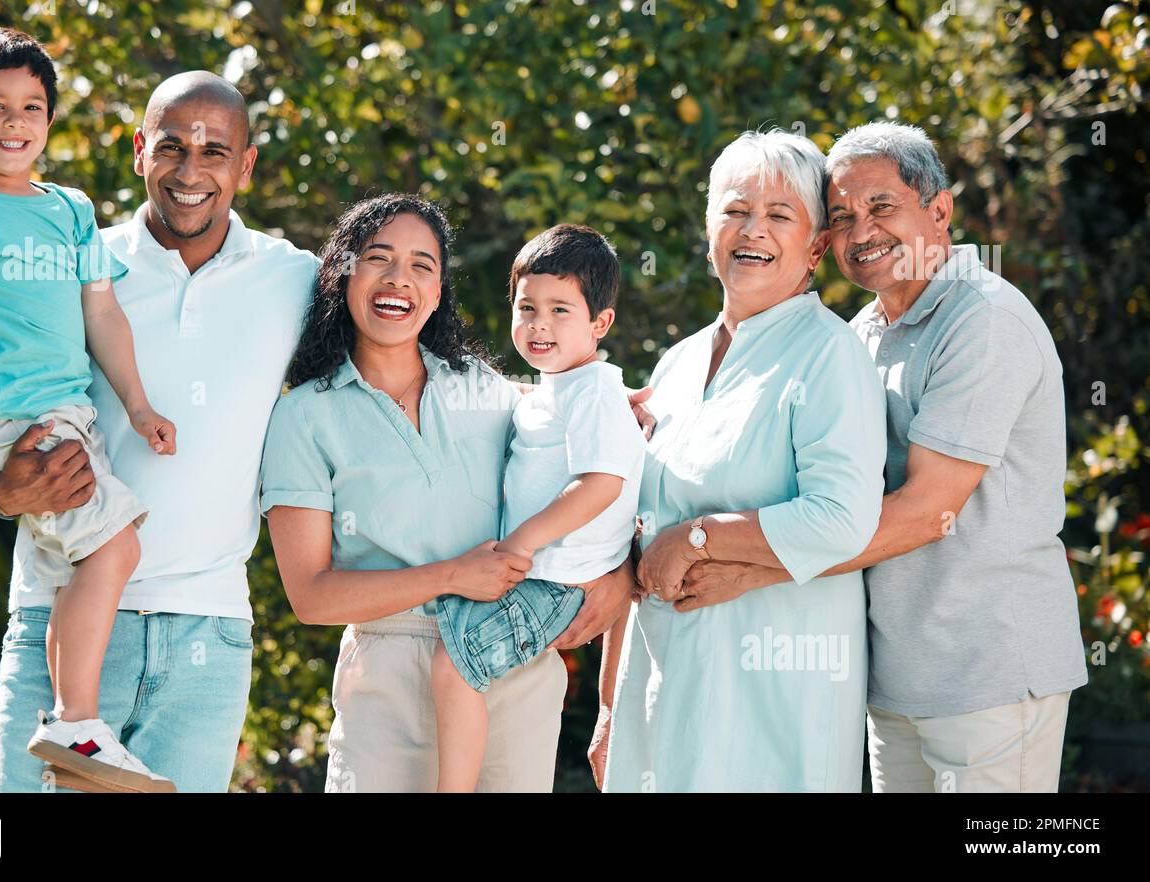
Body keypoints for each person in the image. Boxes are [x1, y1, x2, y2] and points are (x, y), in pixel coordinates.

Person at [678, 122, 1088, 793]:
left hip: (987, 672)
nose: (861, 231)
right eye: (841, 216)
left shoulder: (984, 322)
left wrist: (744, 567)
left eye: (881, 208)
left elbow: (927, 514)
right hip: (892, 681)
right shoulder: (861, 336)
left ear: (940, 210)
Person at [0, 70, 320, 792]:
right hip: (60, 614)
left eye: (215, 153)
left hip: (209, 634)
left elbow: (402, 364)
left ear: (247, 165)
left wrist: (585, 394)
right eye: (171, 148)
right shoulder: (73, 262)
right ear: (139, 150)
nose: (190, 173)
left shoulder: (296, 280)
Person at [262, 194, 644, 792]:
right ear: (343, 272)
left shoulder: (482, 388)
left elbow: (580, 438)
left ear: (438, 290)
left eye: (422, 265)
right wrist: (451, 575)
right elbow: (311, 597)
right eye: (378, 258)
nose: (399, 279)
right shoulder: (305, 416)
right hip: (385, 681)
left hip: (511, 669)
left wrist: (620, 575)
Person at [0, 25, 177, 792]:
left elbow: (103, 315)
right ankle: (76, 727)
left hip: (65, 411)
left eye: (31, 107)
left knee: (69, 570)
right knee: (116, 548)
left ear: (49, 120)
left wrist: (138, 405)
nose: (14, 123)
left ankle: (63, 719)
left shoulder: (72, 209)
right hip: (10, 418)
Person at [596, 129, 888, 792]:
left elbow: (842, 518)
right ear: (709, 232)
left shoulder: (830, 356)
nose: (752, 229)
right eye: (735, 210)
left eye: (779, 215)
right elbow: (636, 534)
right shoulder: (675, 363)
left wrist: (699, 538)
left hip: (773, 694)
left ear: (816, 246)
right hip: (663, 686)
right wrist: (611, 703)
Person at [431, 224, 645, 791]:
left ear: (600, 324)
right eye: (526, 308)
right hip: (535, 577)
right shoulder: (559, 388)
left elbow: (601, 484)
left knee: (455, 667)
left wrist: (521, 541)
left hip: (554, 583)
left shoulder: (596, 392)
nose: (539, 324)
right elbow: (530, 406)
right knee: (452, 655)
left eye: (559, 310)